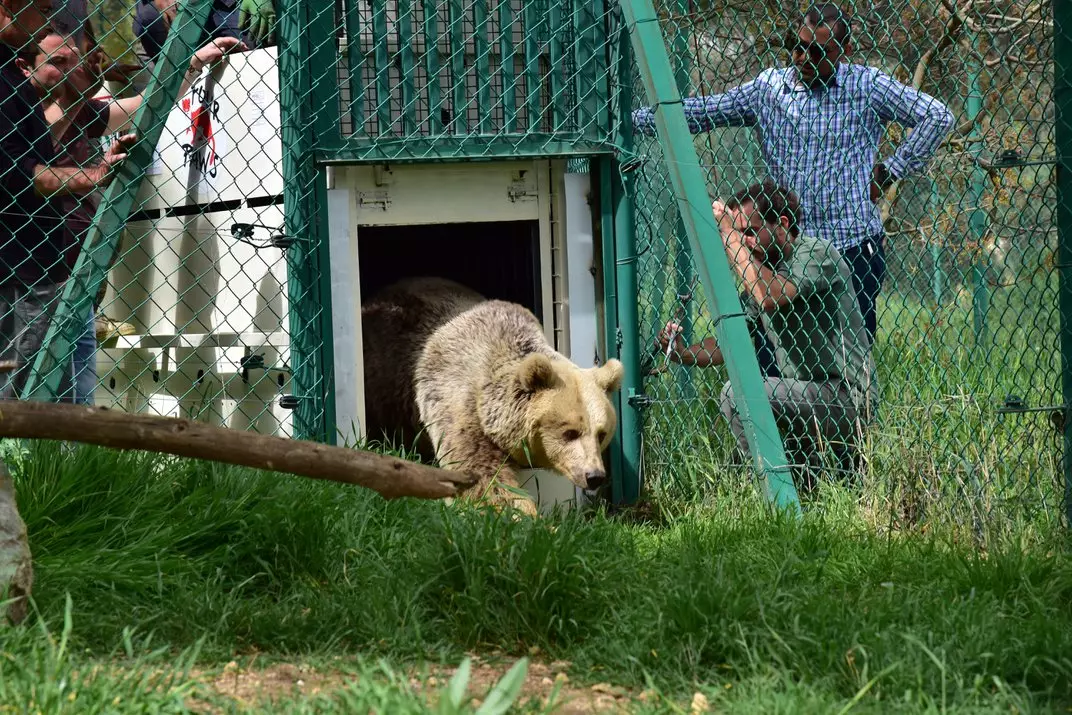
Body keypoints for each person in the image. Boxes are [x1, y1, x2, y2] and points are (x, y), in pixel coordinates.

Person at [634, 3, 955, 345]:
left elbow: (937, 117)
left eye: (817, 51)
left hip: (851, 248)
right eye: (797, 46)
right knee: (772, 353)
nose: (803, 57)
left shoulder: (867, 85)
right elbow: (703, 112)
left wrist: (891, 171)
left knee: (845, 359)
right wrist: (630, 122)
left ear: (843, 51)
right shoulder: (769, 90)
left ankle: (850, 399)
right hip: (788, 250)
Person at [25, 22, 244, 402]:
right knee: (33, 397)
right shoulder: (21, 114)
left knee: (77, 400)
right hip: (30, 283)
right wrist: (76, 95)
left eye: (75, 61)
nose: (74, 70)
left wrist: (191, 64)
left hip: (77, 280)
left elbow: (145, 107)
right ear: (26, 68)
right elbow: (42, 143)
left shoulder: (80, 110)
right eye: (58, 62)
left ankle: (67, 461)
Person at [657, 180, 877, 493]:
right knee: (819, 485)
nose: (744, 242)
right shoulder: (763, 267)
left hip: (845, 395)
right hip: (801, 394)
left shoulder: (816, 253)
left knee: (738, 392)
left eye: (749, 231)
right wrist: (682, 352)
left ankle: (773, 491)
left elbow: (768, 296)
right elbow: (728, 345)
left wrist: (730, 236)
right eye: (739, 233)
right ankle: (791, 490)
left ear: (783, 224)